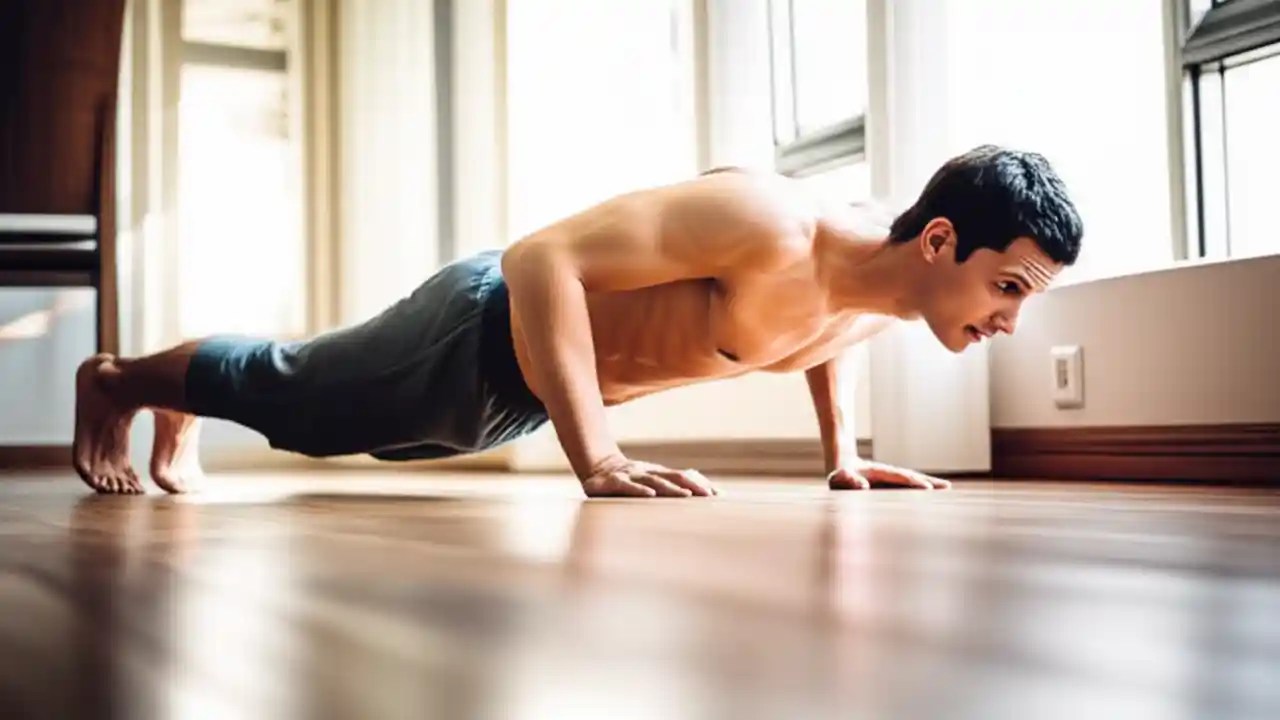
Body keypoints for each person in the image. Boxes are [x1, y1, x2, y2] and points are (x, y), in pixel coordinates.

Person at [71, 145, 1082, 497]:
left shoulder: (886, 295)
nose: (1008, 321)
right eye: (1011, 289)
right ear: (942, 241)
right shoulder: (771, 223)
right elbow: (539, 258)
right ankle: (121, 381)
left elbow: (829, 341)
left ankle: (182, 395)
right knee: (300, 402)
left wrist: (841, 455)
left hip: (526, 394)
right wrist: (595, 459)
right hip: (482, 331)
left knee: (347, 433)